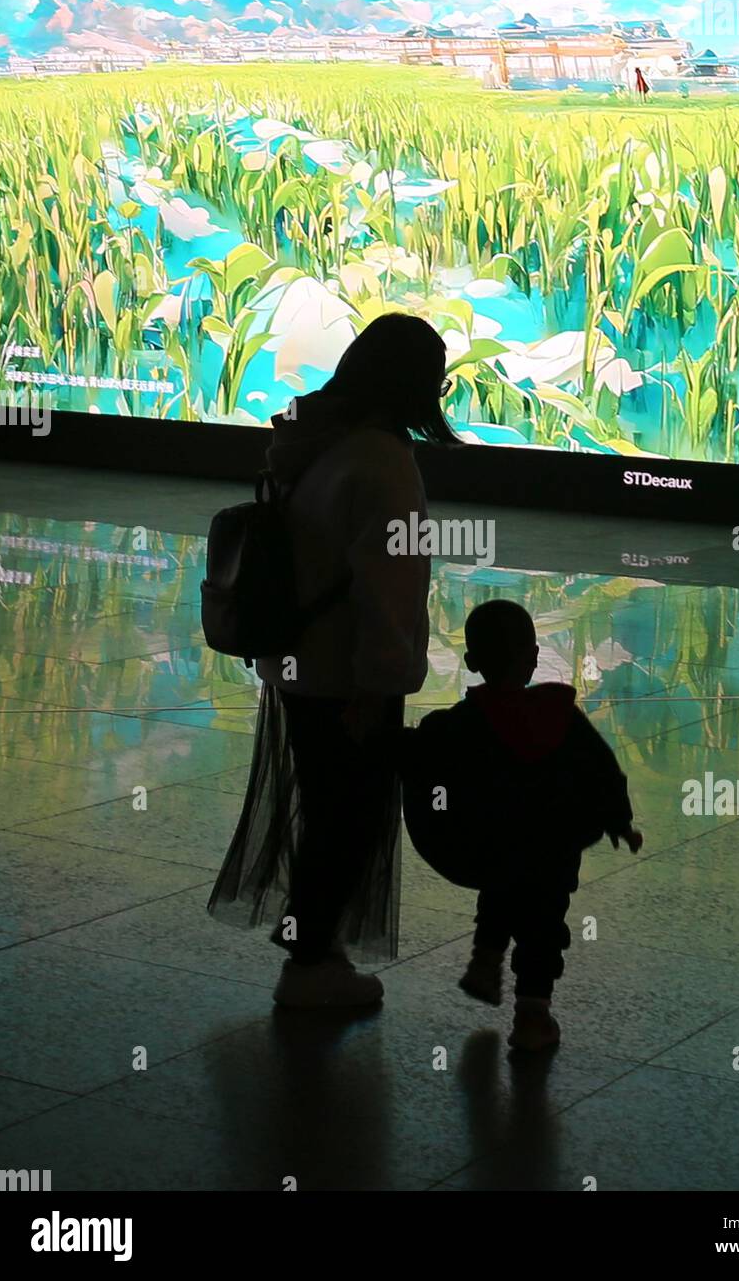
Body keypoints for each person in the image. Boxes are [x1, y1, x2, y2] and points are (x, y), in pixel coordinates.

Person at [208, 313, 457, 1008]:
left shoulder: (311, 442)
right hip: (346, 674)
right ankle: (311, 965)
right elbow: (390, 589)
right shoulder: (384, 463)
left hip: (296, 662)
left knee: (321, 809)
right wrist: (380, 686)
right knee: (344, 823)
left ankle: (313, 953)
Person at [400, 600, 642, 1051]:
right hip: (552, 850)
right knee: (542, 925)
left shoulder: (461, 724)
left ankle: (486, 960)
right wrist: (619, 821)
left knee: (501, 888)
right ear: (533, 656)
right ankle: (532, 1016)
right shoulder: (561, 716)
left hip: (493, 846)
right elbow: (602, 770)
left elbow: (420, 755)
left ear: (471, 663)